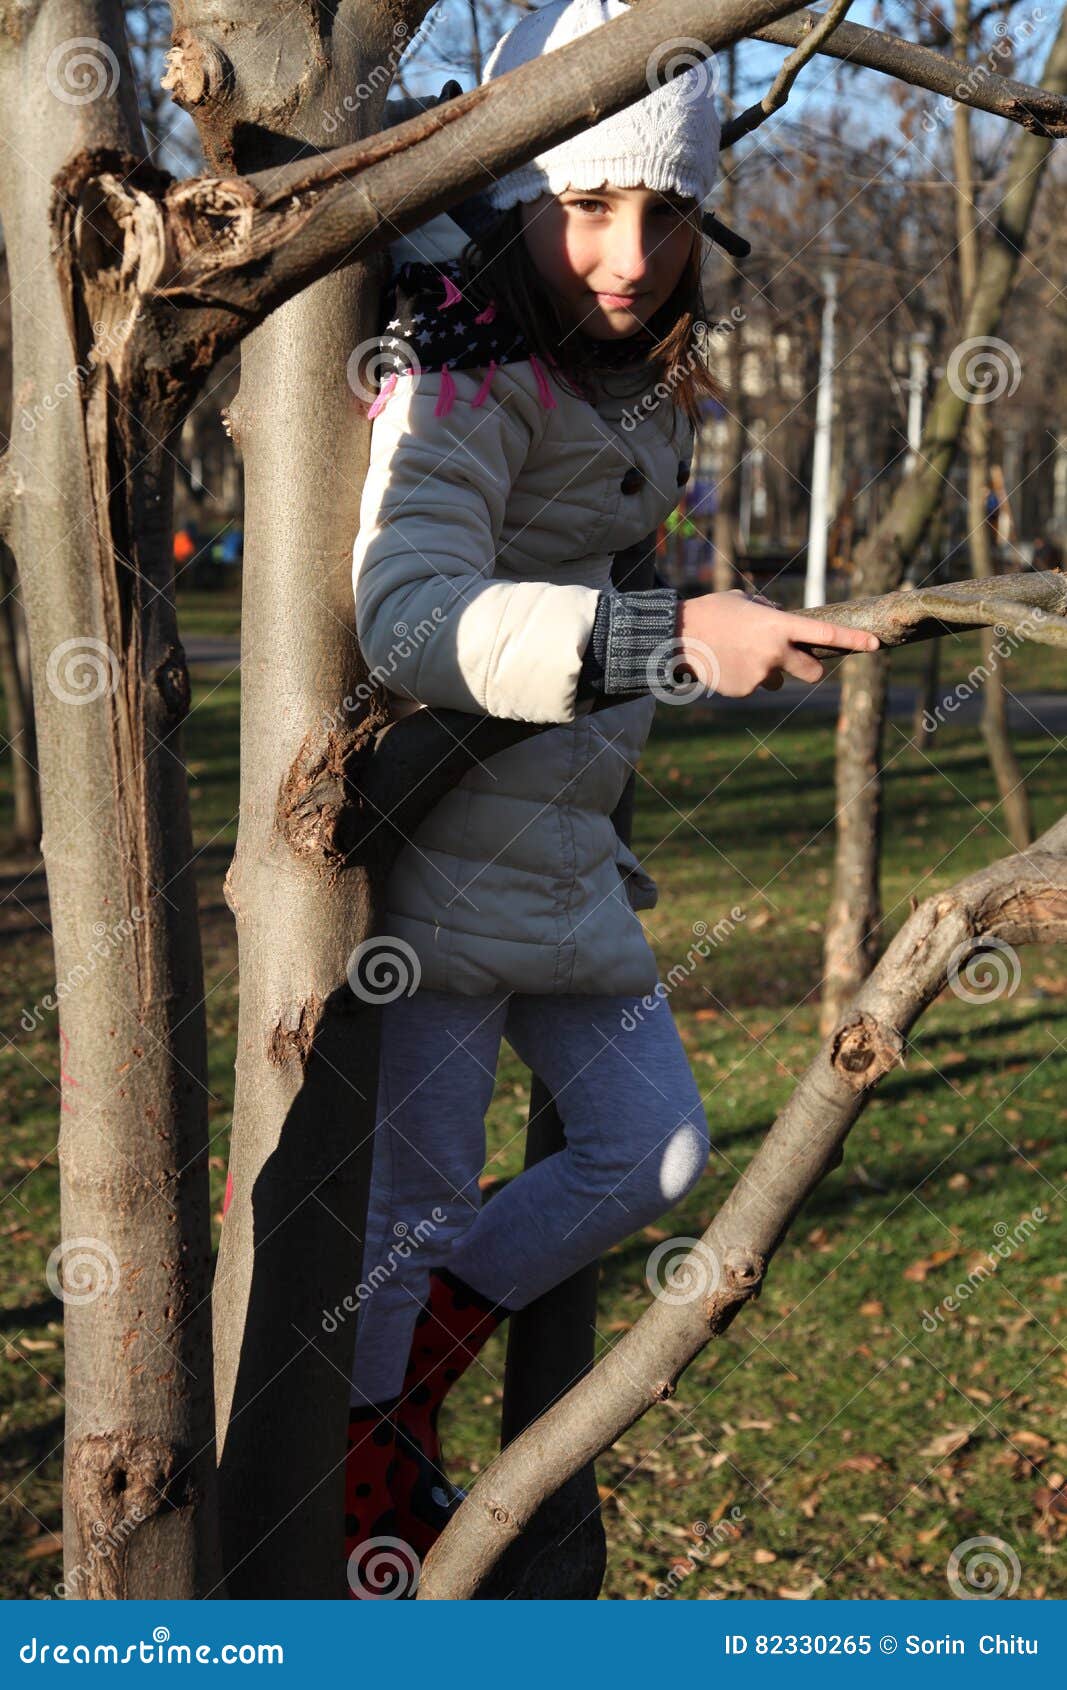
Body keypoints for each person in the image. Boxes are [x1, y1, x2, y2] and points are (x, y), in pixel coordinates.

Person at [341, 0, 880, 1596]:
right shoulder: (456, 363)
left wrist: (715, 615)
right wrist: (670, 635)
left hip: (562, 864)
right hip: (433, 880)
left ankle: (416, 1364)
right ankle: (360, 1478)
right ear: (527, 201)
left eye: (666, 210)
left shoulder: (622, 370)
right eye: (586, 205)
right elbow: (409, 616)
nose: (629, 253)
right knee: (409, 1200)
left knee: (651, 1153)